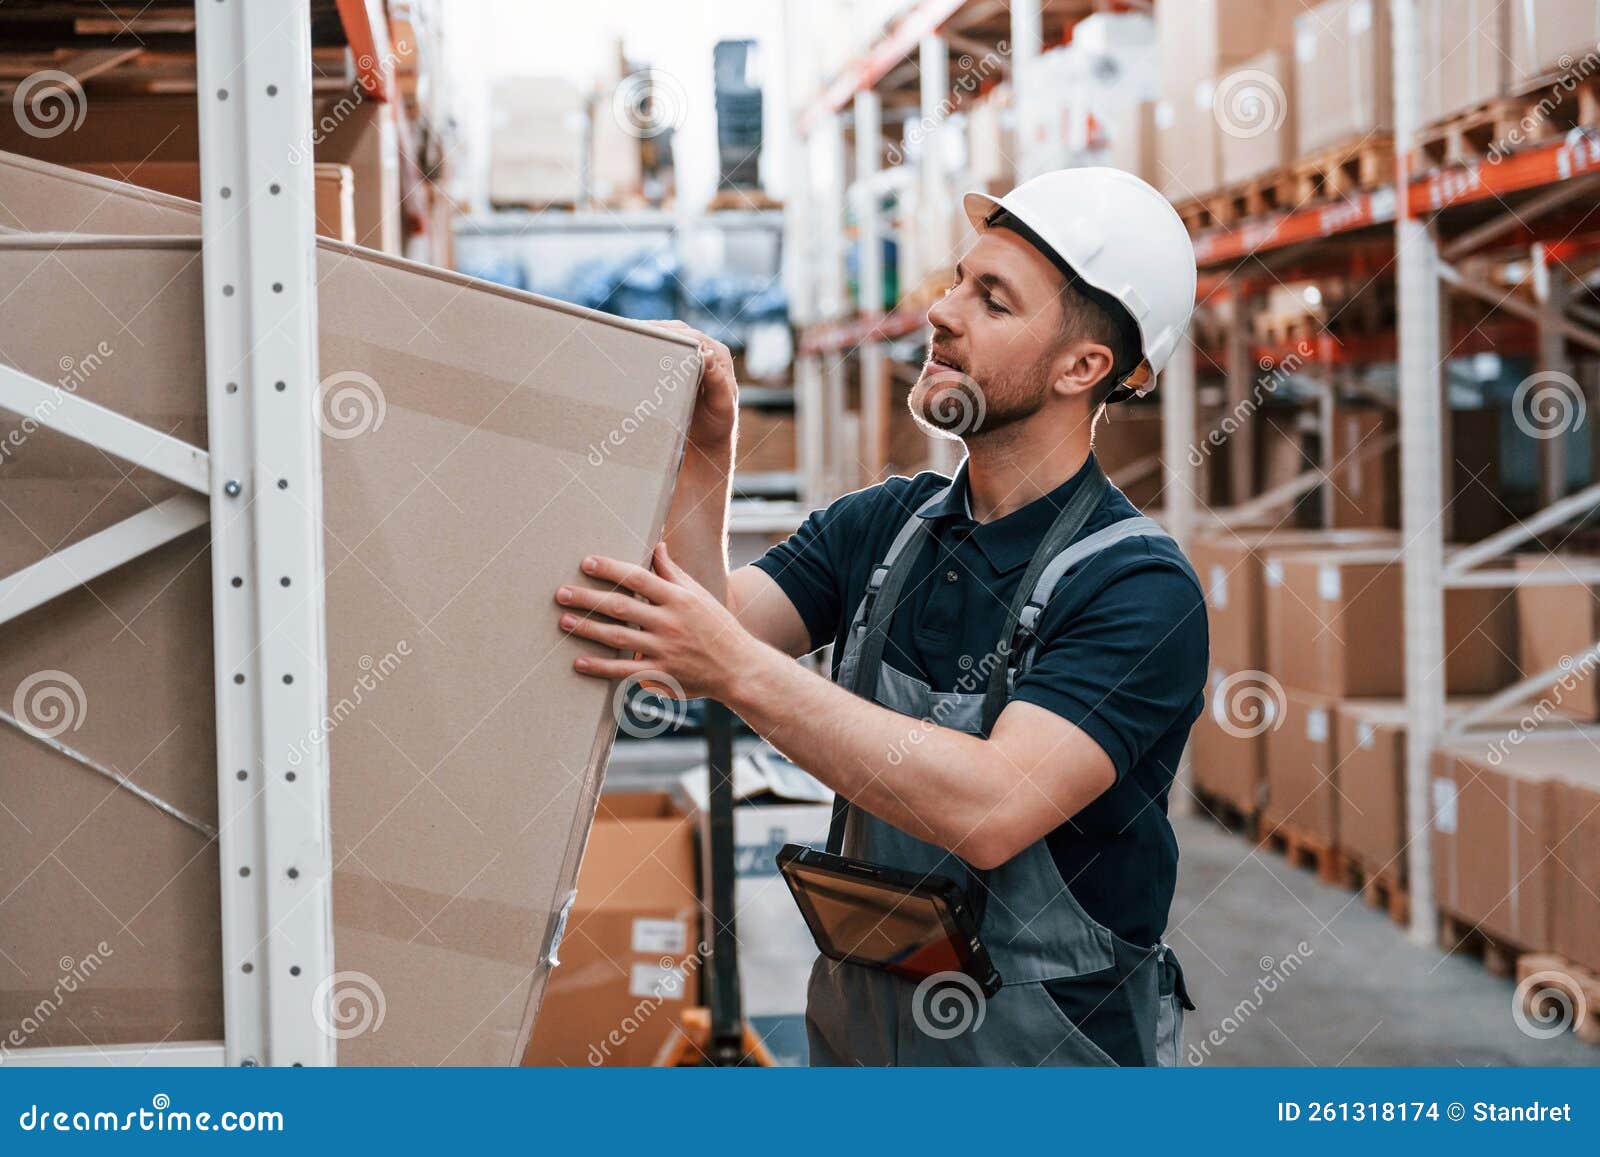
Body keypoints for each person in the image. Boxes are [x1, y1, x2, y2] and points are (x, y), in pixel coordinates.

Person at [555, 168, 1206, 1066]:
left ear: (1083, 367)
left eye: (993, 300)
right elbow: (708, 628)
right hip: (864, 1037)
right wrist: (707, 447)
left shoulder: (1136, 588)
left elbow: (993, 805)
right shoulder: (887, 524)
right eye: (957, 280)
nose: (942, 312)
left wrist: (734, 670)